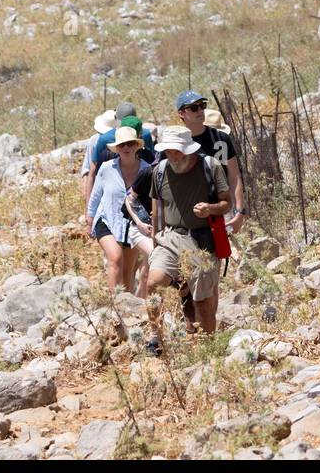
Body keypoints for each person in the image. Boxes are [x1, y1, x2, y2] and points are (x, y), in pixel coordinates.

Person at [128, 126, 231, 335]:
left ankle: (208, 346)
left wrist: (210, 208)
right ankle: (156, 337)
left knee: (202, 301)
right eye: (168, 151)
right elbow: (157, 210)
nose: (173, 156)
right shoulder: (159, 171)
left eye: (177, 151)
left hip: (201, 240)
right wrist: (156, 243)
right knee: (153, 283)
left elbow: (227, 203)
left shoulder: (210, 166)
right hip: (171, 238)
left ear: (189, 150)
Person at [85, 126, 153, 293]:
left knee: (127, 271)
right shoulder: (107, 168)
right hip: (106, 220)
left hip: (131, 225)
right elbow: (96, 195)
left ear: (137, 146)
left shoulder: (147, 170)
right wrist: (89, 218)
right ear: (117, 148)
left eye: (130, 144)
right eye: (122, 145)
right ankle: (113, 306)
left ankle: (127, 310)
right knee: (115, 259)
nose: (126, 148)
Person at [172, 90, 246, 236]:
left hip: (222, 207)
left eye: (202, 105)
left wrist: (239, 212)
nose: (200, 110)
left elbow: (234, 176)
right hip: (189, 213)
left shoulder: (220, 139)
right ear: (181, 114)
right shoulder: (177, 144)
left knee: (226, 252)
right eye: (194, 108)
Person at [82, 101, 155, 227]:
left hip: (136, 198)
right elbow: (94, 173)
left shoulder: (105, 138)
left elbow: (92, 172)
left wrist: (89, 209)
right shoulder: (145, 134)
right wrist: (90, 210)